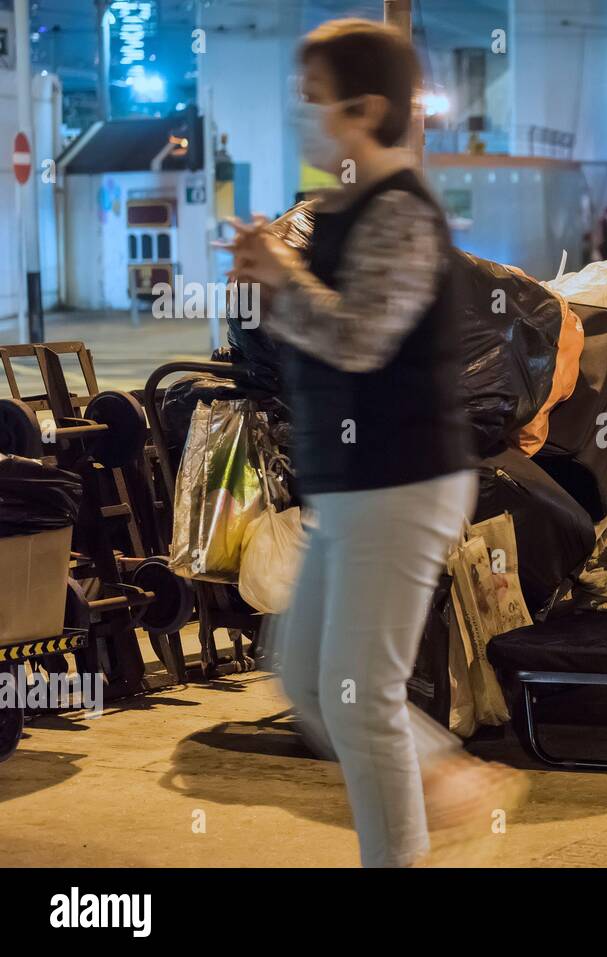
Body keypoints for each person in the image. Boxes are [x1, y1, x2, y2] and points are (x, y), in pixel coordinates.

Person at [225, 18, 526, 867]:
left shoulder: (402, 212)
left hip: (403, 484)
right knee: (311, 684)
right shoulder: (343, 209)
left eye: (313, 101)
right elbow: (323, 340)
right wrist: (273, 282)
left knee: (359, 700)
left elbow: (361, 339)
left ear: (364, 109)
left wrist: (285, 277)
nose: (303, 118)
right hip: (352, 486)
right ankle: (451, 778)